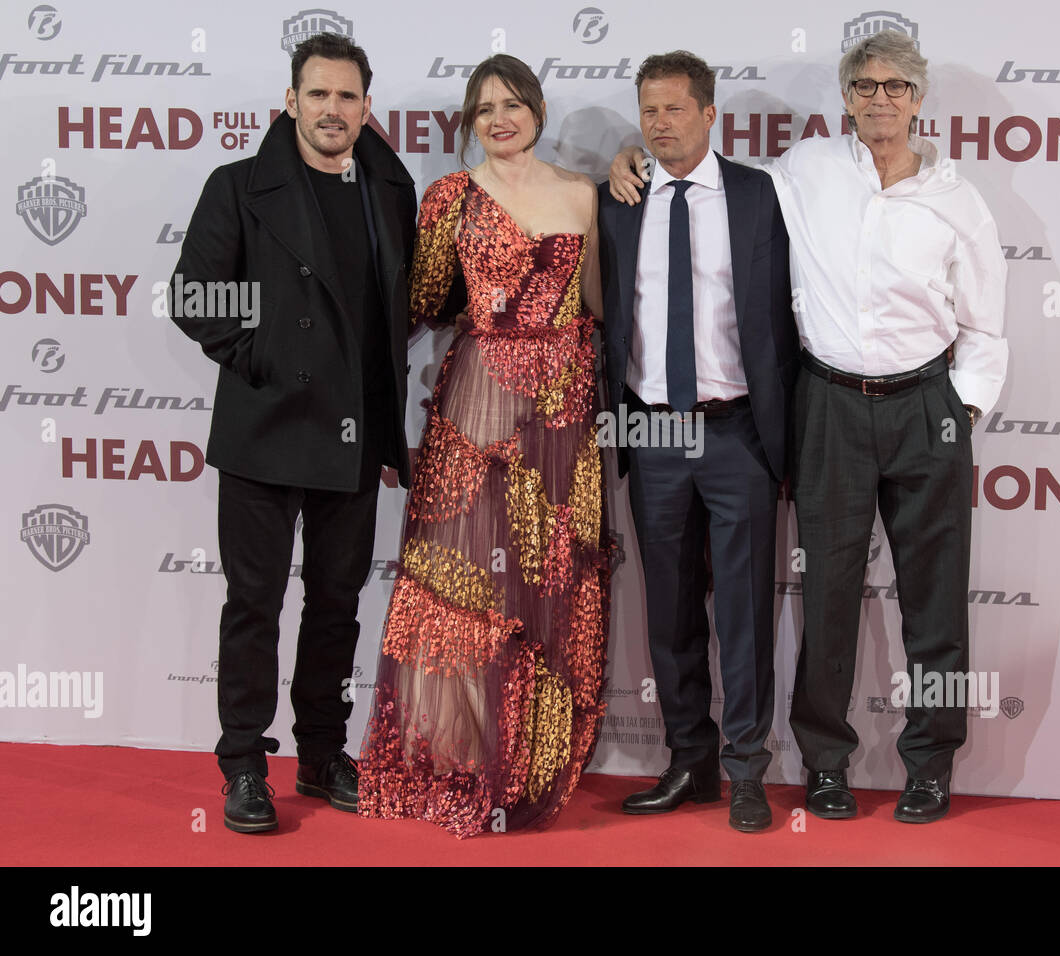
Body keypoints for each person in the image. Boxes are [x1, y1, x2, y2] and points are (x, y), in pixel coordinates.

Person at [609, 31, 1007, 823]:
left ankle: (931, 764)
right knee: (827, 596)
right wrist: (634, 149)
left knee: (936, 602)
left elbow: (986, 326)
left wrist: (960, 411)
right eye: (865, 87)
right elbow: (690, 162)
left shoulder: (960, 201)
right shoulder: (804, 171)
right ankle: (827, 764)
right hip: (827, 402)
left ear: (919, 99)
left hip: (928, 405)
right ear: (847, 98)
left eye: (895, 88)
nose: (880, 101)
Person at [170, 33, 429, 832]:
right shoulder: (240, 186)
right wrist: (269, 362)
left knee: (337, 603)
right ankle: (245, 763)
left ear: (365, 109)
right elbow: (195, 300)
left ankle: (320, 756)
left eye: (347, 97)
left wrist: (387, 435)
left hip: (350, 437)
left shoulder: (388, 187)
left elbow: (388, 327)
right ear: (290, 101)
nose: (332, 110)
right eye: (318, 94)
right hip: (264, 431)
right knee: (253, 603)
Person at [356, 54, 611, 838]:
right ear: (469, 122)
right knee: (463, 582)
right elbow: (427, 303)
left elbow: (595, 302)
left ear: (538, 108)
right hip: (476, 410)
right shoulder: (450, 198)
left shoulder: (580, 192)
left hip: (563, 411)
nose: (501, 118)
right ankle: (462, 755)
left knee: (547, 579)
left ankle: (525, 759)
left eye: (514, 103)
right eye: (484, 107)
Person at [598, 51, 797, 832]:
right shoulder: (617, 198)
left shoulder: (763, 195)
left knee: (744, 610)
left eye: (675, 109)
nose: (658, 124)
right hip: (650, 430)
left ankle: (748, 768)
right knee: (669, 609)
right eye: (647, 110)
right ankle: (691, 761)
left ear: (711, 114)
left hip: (737, 429)